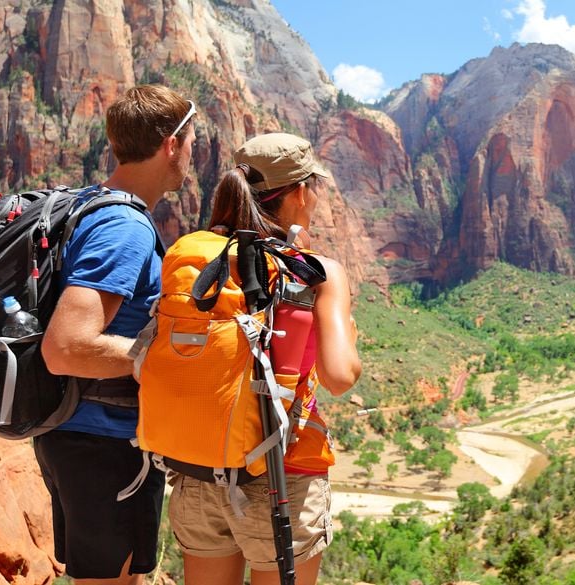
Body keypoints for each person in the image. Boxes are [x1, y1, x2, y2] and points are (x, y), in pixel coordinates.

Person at [168, 133, 362, 585]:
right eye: (314, 187)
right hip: (283, 476)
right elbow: (339, 376)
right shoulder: (317, 271)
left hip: (201, 471)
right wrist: (349, 336)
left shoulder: (197, 260)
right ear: (299, 193)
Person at [37, 85, 197, 584]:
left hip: (80, 436)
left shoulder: (93, 204)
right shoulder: (125, 228)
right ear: (171, 144)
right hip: (102, 442)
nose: (193, 155)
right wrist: (167, 357)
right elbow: (67, 347)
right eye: (191, 142)